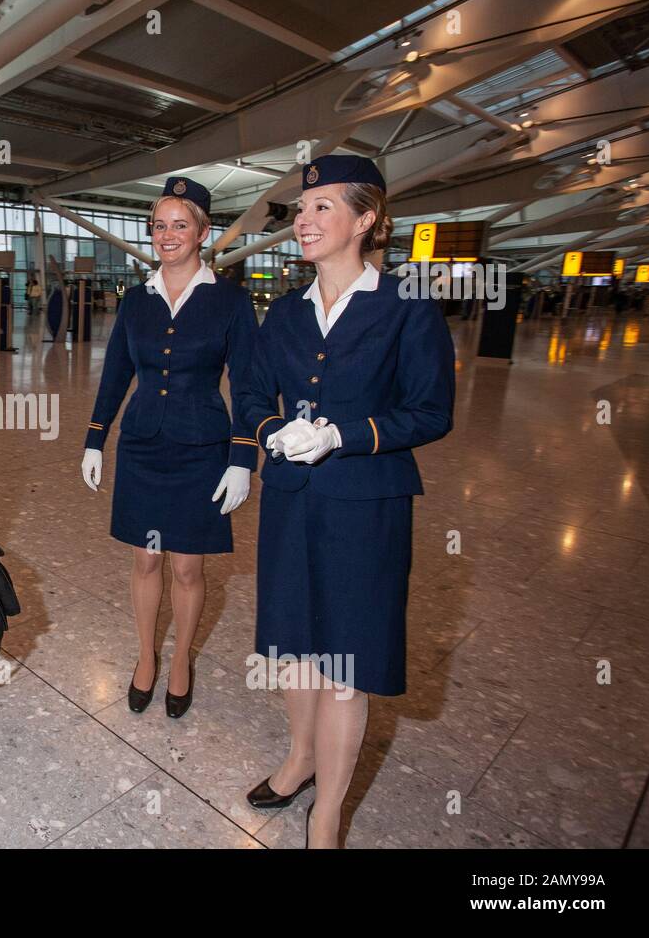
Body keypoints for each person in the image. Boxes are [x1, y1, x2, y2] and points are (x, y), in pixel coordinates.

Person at [235, 154, 455, 848]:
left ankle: (328, 811)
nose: (304, 219)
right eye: (302, 208)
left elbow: (431, 410)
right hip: (293, 505)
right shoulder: (284, 315)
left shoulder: (406, 308)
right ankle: (300, 759)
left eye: (323, 206)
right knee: (296, 653)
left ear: (365, 219)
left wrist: (344, 435)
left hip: (368, 508)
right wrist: (274, 434)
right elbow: (247, 396)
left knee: (344, 668)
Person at [81, 176, 259, 719]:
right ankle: (144, 657)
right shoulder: (137, 300)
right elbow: (115, 373)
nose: (167, 234)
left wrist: (243, 457)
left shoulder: (229, 301)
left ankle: (182, 658)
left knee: (186, 567)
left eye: (180, 225)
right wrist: (95, 438)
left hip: (202, 447)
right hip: (142, 445)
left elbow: (250, 383)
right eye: (159, 225)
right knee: (146, 558)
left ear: (203, 232)